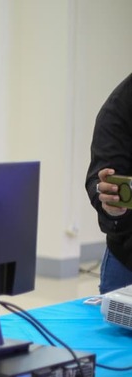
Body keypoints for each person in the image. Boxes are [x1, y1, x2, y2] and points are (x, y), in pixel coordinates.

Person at [86, 73, 132, 294]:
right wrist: (111, 205)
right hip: (128, 262)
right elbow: (101, 179)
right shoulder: (120, 107)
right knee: (118, 329)